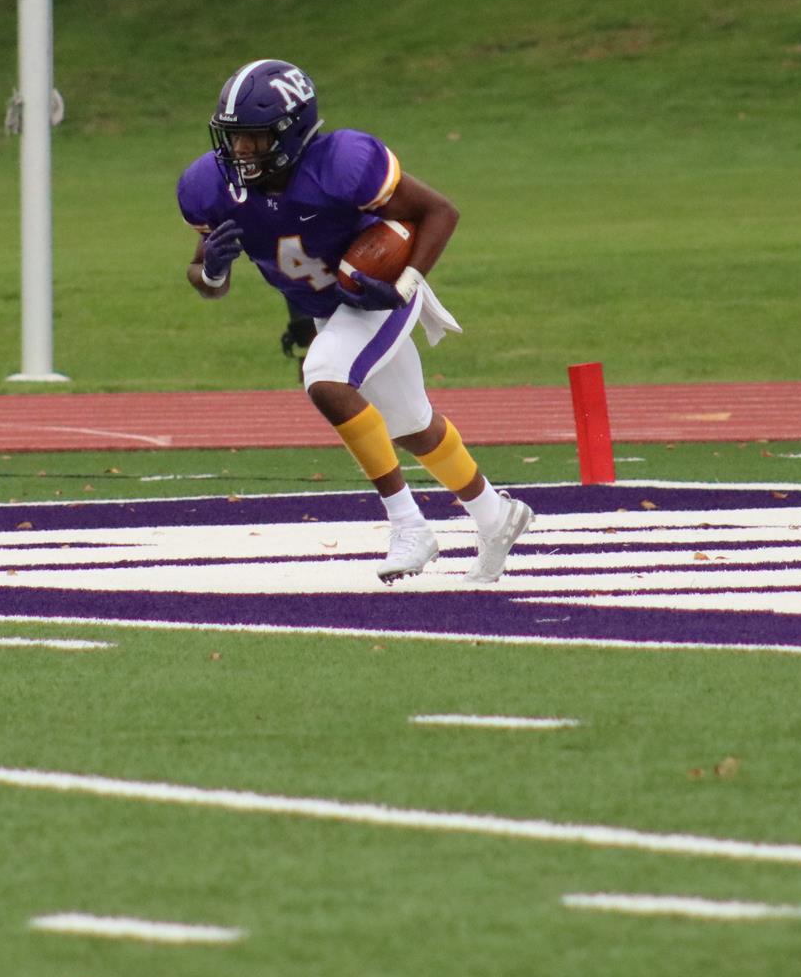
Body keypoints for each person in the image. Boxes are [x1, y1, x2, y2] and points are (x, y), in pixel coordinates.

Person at [176, 59, 535, 584]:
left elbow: (439, 212)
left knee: (324, 377)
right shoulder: (212, 186)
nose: (240, 152)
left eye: (253, 139)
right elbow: (208, 281)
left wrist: (403, 284)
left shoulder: (342, 163)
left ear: (291, 132)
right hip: (331, 311)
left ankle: (408, 524)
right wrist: (210, 270)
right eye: (233, 139)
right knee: (412, 424)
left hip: (378, 295)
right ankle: (495, 516)